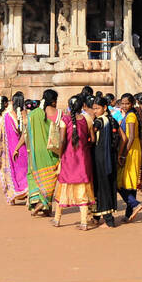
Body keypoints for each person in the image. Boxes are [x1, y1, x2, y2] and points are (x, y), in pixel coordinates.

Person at [52, 94, 96, 230]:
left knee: (63, 188)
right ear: (82, 106)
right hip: (83, 158)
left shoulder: (64, 120)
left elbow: (62, 140)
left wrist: (60, 155)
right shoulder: (87, 119)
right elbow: (93, 139)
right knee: (83, 189)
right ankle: (83, 222)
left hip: (68, 158)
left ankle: (57, 220)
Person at [26, 90, 60, 216]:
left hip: (36, 151)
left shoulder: (33, 114)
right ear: (53, 101)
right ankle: (43, 203)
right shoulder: (58, 113)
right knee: (51, 179)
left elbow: (27, 133)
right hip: (51, 151)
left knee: (38, 178)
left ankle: (46, 208)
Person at [90, 95, 121, 227]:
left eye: (97, 108)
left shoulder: (99, 122)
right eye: (93, 109)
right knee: (107, 185)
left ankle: (109, 220)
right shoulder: (112, 120)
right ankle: (97, 217)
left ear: (104, 107)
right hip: (111, 158)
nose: (95, 111)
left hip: (100, 159)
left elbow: (91, 137)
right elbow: (123, 138)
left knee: (101, 187)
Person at [116, 94, 142, 223]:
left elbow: (131, 137)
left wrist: (123, 154)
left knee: (120, 182)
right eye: (123, 103)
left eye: (127, 103)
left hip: (130, 150)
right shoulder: (128, 115)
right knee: (130, 183)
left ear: (132, 104)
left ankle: (134, 204)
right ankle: (128, 213)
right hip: (132, 149)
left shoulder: (131, 116)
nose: (124, 106)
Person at [1, 92, 28, 204]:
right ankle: (27, 194)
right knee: (25, 171)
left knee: (13, 171)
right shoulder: (26, 115)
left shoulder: (6, 117)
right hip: (24, 148)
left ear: (12, 102)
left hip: (11, 149)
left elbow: (2, 135)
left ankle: (13, 195)